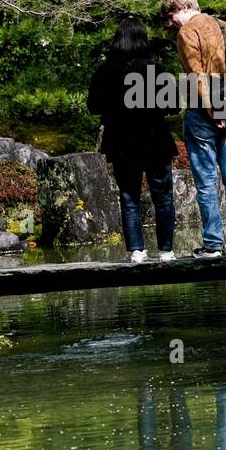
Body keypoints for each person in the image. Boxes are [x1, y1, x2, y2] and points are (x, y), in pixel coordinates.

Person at [161, 0, 226, 258]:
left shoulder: (188, 33)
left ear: (186, 7)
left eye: (171, 15)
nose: (170, 23)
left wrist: (216, 112)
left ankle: (213, 245)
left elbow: (197, 76)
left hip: (205, 113)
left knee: (206, 181)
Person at [87, 16, 177, 264]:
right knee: (163, 196)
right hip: (154, 139)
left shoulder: (105, 71)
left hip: (121, 142)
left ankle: (137, 250)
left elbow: (93, 106)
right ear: (143, 39)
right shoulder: (155, 69)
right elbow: (172, 107)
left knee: (129, 196)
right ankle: (166, 250)